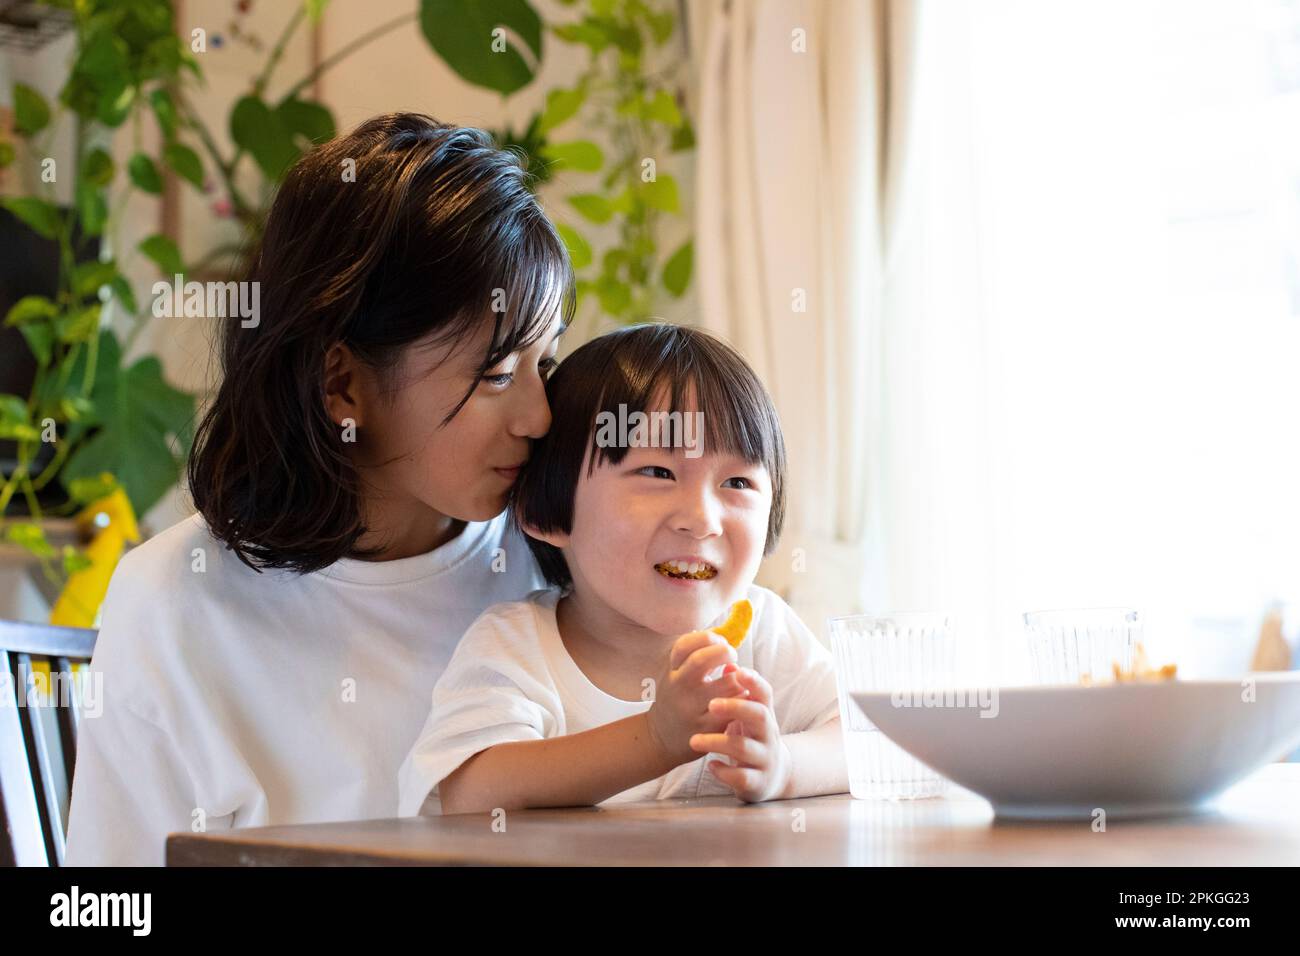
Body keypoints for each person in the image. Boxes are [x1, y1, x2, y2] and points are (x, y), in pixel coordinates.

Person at [64, 113, 573, 865]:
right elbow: (114, 898)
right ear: (343, 385)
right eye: (496, 374)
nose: (538, 416)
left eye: (547, 365)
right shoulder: (175, 603)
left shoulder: (563, 562)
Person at [398, 324, 848, 816]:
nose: (701, 520)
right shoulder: (517, 645)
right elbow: (473, 793)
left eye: (737, 482)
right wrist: (655, 738)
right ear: (548, 512)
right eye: (657, 473)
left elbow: (864, 739)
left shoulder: (762, 631)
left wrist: (784, 765)